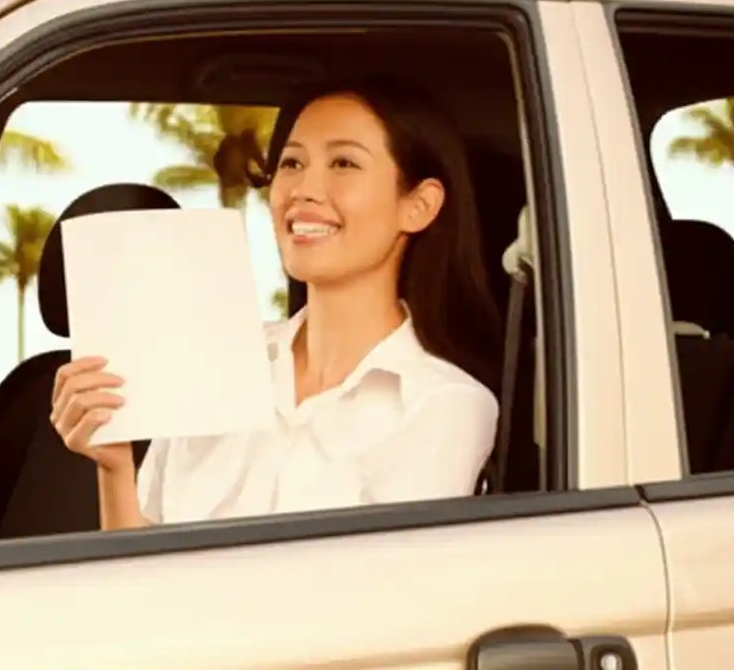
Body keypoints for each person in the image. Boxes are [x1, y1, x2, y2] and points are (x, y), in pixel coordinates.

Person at [49, 75, 504, 530]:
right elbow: (138, 577)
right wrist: (114, 468)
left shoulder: (446, 404)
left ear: (419, 205)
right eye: (291, 163)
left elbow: (383, 592)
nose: (303, 189)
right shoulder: (213, 361)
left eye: (344, 163)